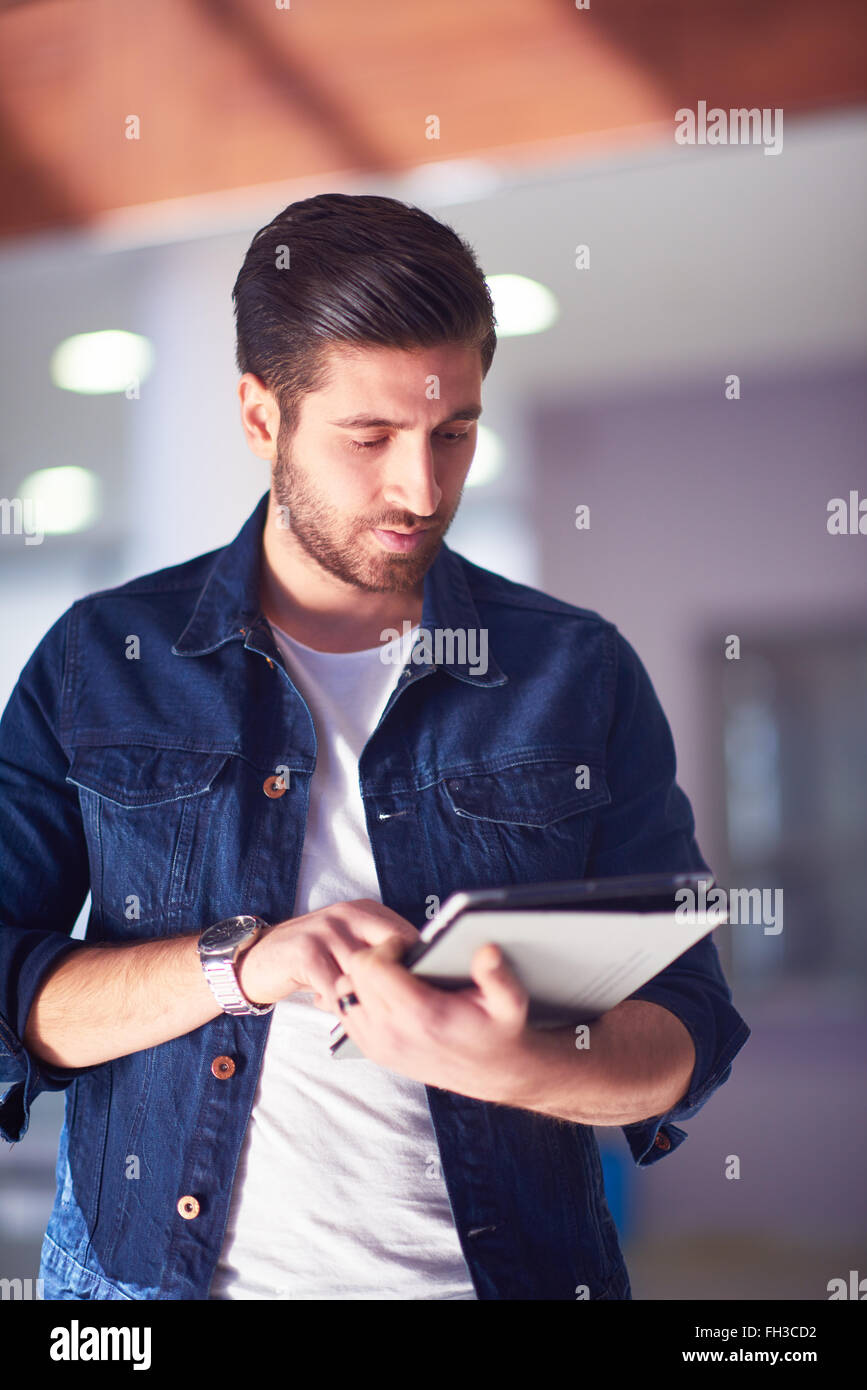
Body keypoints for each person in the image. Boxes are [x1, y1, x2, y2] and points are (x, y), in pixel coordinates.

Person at [0, 192, 749, 1301]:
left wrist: (521, 1061)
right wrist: (243, 967)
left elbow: (686, 1022)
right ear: (262, 416)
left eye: (455, 432)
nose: (423, 487)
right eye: (371, 437)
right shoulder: (98, 659)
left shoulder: (577, 671)